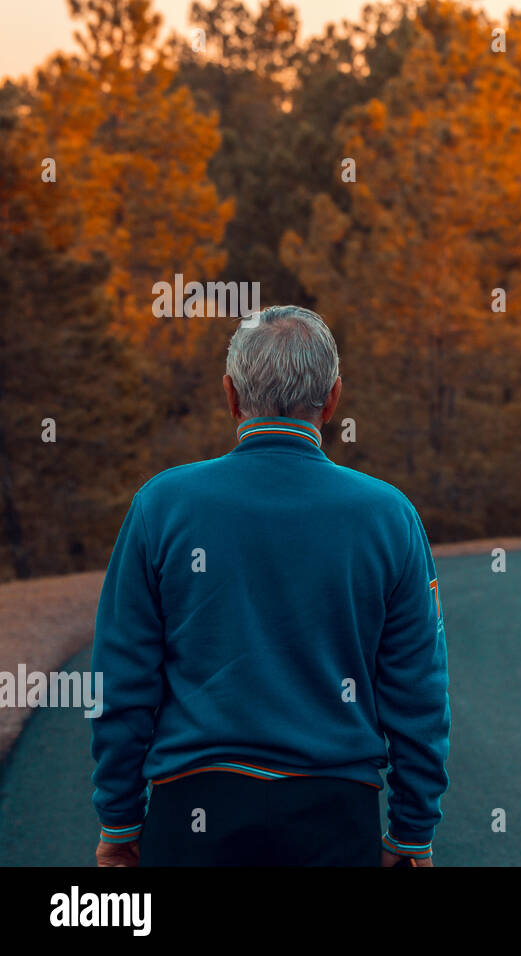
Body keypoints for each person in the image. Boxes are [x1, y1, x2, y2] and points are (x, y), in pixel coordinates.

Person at [90, 305, 450, 866]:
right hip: (335, 813)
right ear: (332, 399)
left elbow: (121, 677)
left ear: (231, 396)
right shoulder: (389, 516)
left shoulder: (162, 505)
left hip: (192, 813)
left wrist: (119, 818)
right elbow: (419, 689)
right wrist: (411, 831)